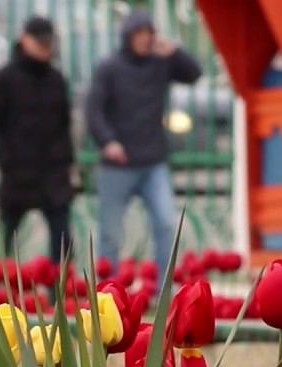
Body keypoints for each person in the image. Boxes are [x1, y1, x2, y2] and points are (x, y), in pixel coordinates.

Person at [85, 10, 201, 287]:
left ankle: (164, 289)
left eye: (149, 34)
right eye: (139, 35)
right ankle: (107, 290)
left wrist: (174, 52)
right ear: (128, 37)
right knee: (111, 233)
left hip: (153, 162)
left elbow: (194, 73)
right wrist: (108, 141)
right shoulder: (109, 68)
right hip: (118, 165)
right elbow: (93, 110)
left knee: (165, 223)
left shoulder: (160, 64)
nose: (145, 40)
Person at [0, 16, 75, 263]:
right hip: (18, 173)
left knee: (62, 239)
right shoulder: (5, 79)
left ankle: (60, 295)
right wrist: (5, 157)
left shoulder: (56, 79)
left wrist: (67, 163)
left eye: (49, 42)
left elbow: (65, 125)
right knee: (5, 241)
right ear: (25, 41)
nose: (46, 48)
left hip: (53, 173)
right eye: (40, 42)